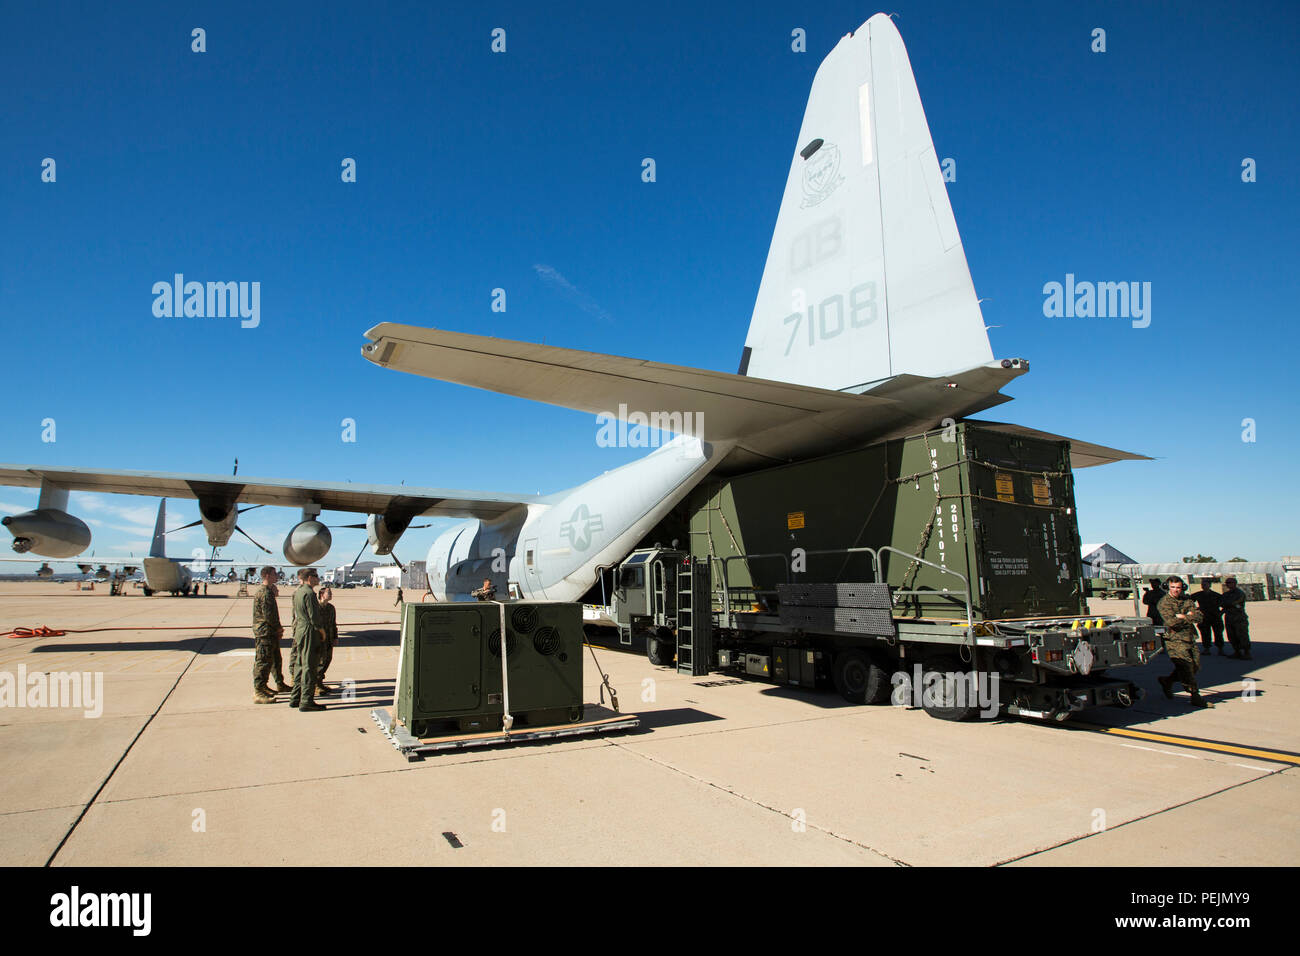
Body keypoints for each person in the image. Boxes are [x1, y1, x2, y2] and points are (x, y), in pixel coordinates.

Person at [1156, 576, 1213, 708]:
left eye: (1178, 587)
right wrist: (1189, 616)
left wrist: (1182, 616)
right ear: (1168, 587)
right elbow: (1171, 622)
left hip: (1189, 637)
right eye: (1173, 587)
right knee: (1186, 667)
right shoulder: (1164, 603)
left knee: (1195, 667)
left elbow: (1199, 616)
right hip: (1174, 639)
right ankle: (1195, 696)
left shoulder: (1187, 600)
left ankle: (1167, 681)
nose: (1176, 590)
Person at [288, 568, 327, 711]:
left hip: (300, 630)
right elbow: (314, 618)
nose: (318, 578)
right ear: (310, 578)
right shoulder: (310, 593)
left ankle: (295, 697)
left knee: (299, 665)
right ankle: (306, 701)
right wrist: (322, 631)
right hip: (310, 631)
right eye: (316, 576)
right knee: (309, 667)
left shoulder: (298, 592)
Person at [251, 566, 288, 703]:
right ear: (266, 575)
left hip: (269, 632)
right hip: (265, 632)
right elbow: (269, 616)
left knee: (273, 660)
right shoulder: (265, 593)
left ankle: (267, 686)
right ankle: (258, 691)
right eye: (274, 574)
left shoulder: (267, 591)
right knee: (263, 662)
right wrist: (279, 628)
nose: (276, 576)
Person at [1220, 576, 1252, 660]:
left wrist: (1228, 604)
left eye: (1230, 582)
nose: (1228, 584)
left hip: (1239, 617)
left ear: (1235, 583)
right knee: (1231, 635)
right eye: (1227, 583)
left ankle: (1247, 652)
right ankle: (1237, 651)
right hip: (1229, 617)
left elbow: (1234, 603)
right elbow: (1223, 604)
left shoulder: (1240, 593)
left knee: (1242, 635)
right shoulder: (1226, 594)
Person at [1191, 578, 1224, 654]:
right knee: (1205, 633)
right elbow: (1188, 601)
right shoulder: (1198, 594)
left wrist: (1220, 613)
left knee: (1218, 633)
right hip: (1204, 617)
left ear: (1210, 585)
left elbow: (1224, 605)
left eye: (1205, 584)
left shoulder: (1216, 595)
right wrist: (1195, 610)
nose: (1203, 586)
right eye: (1202, 584)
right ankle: (1207, 649)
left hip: (1215, 617)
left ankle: (1220, 649)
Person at [315, 586, 338, 695]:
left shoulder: (331, 608)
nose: (331, 594)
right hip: (320, 640)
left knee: (327, 660)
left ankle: (320, 682)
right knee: (319, 662)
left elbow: (334, 624)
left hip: (329, 639)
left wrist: (335, 637)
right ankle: (316, 685)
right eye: (329, 593)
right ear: (321, 594)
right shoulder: (316, 608)